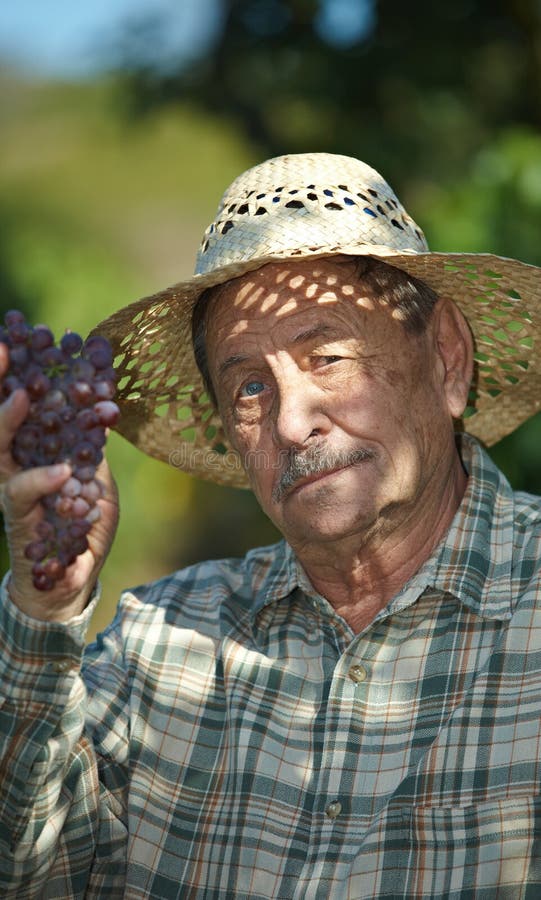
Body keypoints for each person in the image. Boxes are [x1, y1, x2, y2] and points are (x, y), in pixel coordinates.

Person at [1, 152, 541, 898]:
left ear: (446, 358)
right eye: (250, 386)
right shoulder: (160, 642)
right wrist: (45, 611)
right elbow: (27, 874)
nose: (291, 422)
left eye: (326, 356)